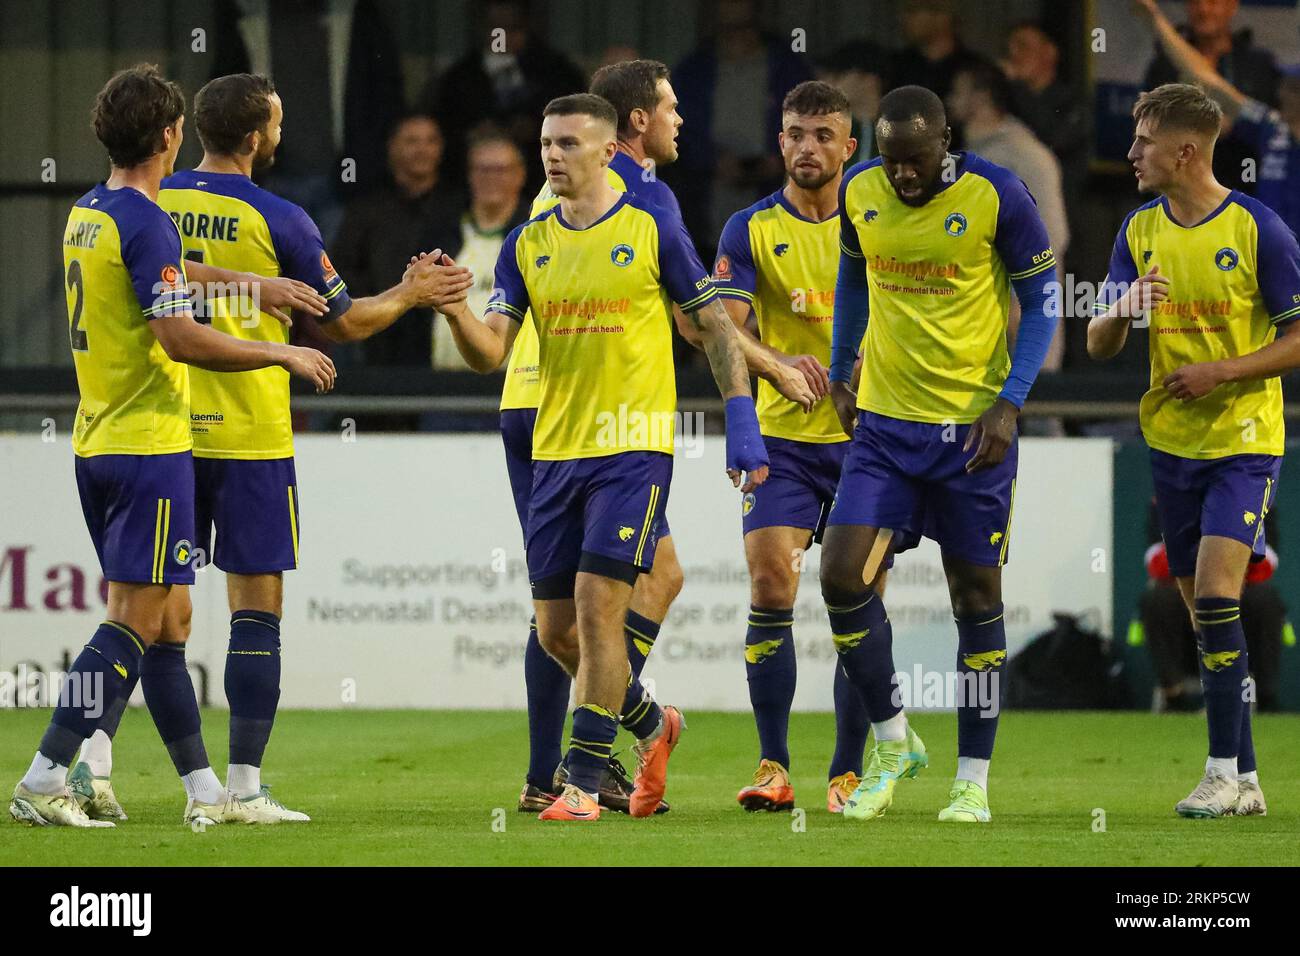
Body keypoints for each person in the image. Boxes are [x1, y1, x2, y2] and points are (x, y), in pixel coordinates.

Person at [72, 72, 473, 825]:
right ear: (258, 137)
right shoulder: (281, 217)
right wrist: (414, 293)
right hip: (251, 432)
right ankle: (243, 787)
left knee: (147, 614)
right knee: (256, 610)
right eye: (279, 122)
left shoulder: (151, 203)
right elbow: (345, 321)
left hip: (164, 432)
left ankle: (105, 765)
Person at [9, 64, 337, 828]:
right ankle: (47, 772)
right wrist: (279, 353)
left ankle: (148, 780)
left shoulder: (91, 211)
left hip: (95, 438)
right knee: (132, 623)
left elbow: (165, 273)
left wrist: (257, 288)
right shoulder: (148, 220)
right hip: (150, 442)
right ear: (169, 135)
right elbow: (179, 335)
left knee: (141, 619)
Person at [488, 60, 814, 814]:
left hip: (540, 404)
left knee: (634, 588)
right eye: (669, 108)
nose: (679, 121)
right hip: (578, 409)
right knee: (581, 607)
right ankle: (582, 762)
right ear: (632, 125)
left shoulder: (565, 187)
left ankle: (608, 741)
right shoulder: (637, 196)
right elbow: (694, 319)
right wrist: (764, 377)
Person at [823, 85, 1059, 825]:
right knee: (838, 578)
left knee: (976, 602)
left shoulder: (998, 195)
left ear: (947, 142)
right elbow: (854, 276)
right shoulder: (858, 191)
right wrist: (839, 368)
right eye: (891, 161)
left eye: (916, 161)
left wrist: (1012, 400)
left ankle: (973, 780)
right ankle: (893, 740)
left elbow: (1045, 294)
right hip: (886, 430)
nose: (902, 176)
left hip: (971, 433)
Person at [1087, 82, 1300, 818]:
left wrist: (1221, 371)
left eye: (1142, 142)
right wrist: (1120, 309)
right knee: (1203, 617)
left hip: (1243, 442)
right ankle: (1245, 778)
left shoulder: (1258, 231)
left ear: (1184, 150)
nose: (1130, 153)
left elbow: (1297, 337)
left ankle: (1218, 771)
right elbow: (1097, 337)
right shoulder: (1139, 229)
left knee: (1216, 597)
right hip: (1170, 443)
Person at [711, 81, 871, 814]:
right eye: (794, 134)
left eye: (822, 135)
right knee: (772, 583)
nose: (807, 147)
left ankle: (845, 771)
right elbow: (723, 327)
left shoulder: (877, 224)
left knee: (856, 597)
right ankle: (774, 766)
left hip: (870, 442)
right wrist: (778, 361)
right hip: (782, 438)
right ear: (780, 142)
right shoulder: (748, 229)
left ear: (849, 146)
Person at [1135, 0, 1300, 238]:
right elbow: (1209, 81)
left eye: (1294, 90)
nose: (1283, 93)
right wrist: (1155, 19)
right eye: (1285, 86)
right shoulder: (1270, 126)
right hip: (1263, 254)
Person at [667, 0, 814, 248]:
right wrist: (713, 161)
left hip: (777, 225)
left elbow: (812, 125)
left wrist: (780, 161)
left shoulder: (788, 68)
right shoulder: (691, 72)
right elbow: (675, 137)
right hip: (703, 225)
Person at [333, 113, 464, 370]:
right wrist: (380, 299)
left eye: (431, 141)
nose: (422, 150)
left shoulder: (461, 205)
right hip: (378, 336)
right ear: (392, 147)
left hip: (446, 330)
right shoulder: (366, 209)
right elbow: (341, 269)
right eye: (412, 141)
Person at [423, 0, 586, 196]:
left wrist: (536, 128)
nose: (502, 37)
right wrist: (473, 133)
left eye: (512, 29)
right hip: (473, 188)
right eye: (496, 29)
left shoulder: (557, 73)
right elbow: (445, 130)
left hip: (541, 185)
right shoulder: (460, 78)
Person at [1141, 502, 1285, 712]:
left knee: (1265, 598)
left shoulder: (1258, 498)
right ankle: (1174, 694)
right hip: (1189, 596)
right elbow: (1155, 560)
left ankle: (1265, 697)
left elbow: (1266, 562)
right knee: (1158, 598)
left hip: (1237, 593)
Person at [431, 126, 530, 372]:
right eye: (482, 169)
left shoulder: (536, 234)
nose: (491, 178)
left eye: (501, 170)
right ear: (470, 175)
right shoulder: (441, 233)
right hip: (441, 387)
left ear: (520, 175)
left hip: (513, 386)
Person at [1000, 22, 1087, 247]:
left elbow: (1055, 138)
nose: (1014, 55)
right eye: (1010, 49)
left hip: (1061, 221)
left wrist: (1016, 86)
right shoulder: (1005, 102)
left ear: (1050, 52)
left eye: (1023, 46)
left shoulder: (1073, 101)